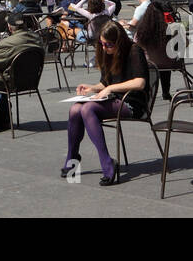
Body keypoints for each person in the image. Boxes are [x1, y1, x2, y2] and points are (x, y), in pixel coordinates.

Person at [62, 21, 149, 185]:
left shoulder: (133, 50)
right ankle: (72, 157)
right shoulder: (107, 54)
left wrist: (110, 89)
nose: (104, 48)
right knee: (75, 109)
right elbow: (105, 83)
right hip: (114, 99)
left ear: (119, 42)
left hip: (133, 102)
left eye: (108, 45)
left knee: (88, 109)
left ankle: (107, 162)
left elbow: (140, 83)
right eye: (102, 44)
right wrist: (92, 88)